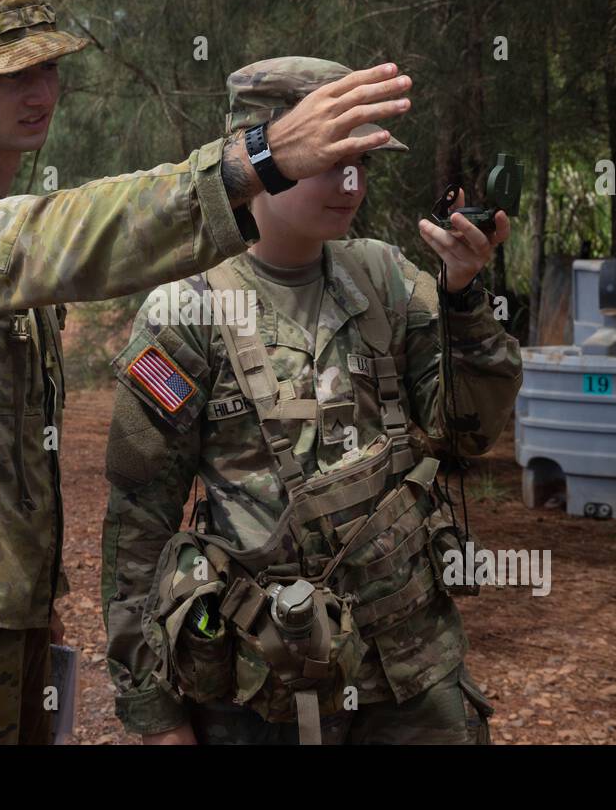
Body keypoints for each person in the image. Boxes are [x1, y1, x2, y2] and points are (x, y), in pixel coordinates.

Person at [0, 0, 415, 744]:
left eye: (48, 68)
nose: (39, 89)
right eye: (11, 71)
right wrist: (259, 160)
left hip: (7, 635)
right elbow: (62, 238)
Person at [100, 57, 523, 745]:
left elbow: (466, 434)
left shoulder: (386, 279)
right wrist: (153, 712)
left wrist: (463, 295)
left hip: (410, 684)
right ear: (261, 159)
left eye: (363, 160)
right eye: (332, 160)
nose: (352, 182)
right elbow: (137, 525)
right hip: (263, 690)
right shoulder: (186, 312)